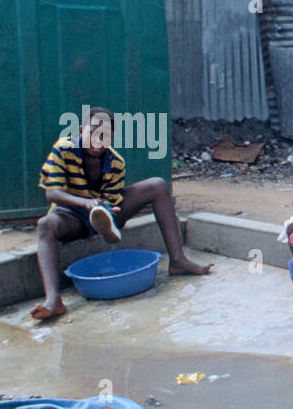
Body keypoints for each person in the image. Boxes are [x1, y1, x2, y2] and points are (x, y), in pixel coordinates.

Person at [32, 106, 211, 320]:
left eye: (104, 135)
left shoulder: (116, 163)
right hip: (70, 215)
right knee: (46, 224)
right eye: (92, 133)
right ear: (81, 130)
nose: (98, 140)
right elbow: (52, 193)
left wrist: (107, 211)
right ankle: (54, 300)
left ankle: (178, 260)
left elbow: (111, 199)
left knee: (157, 185)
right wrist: (87, 203)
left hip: (102, 214)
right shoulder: (64, 149)